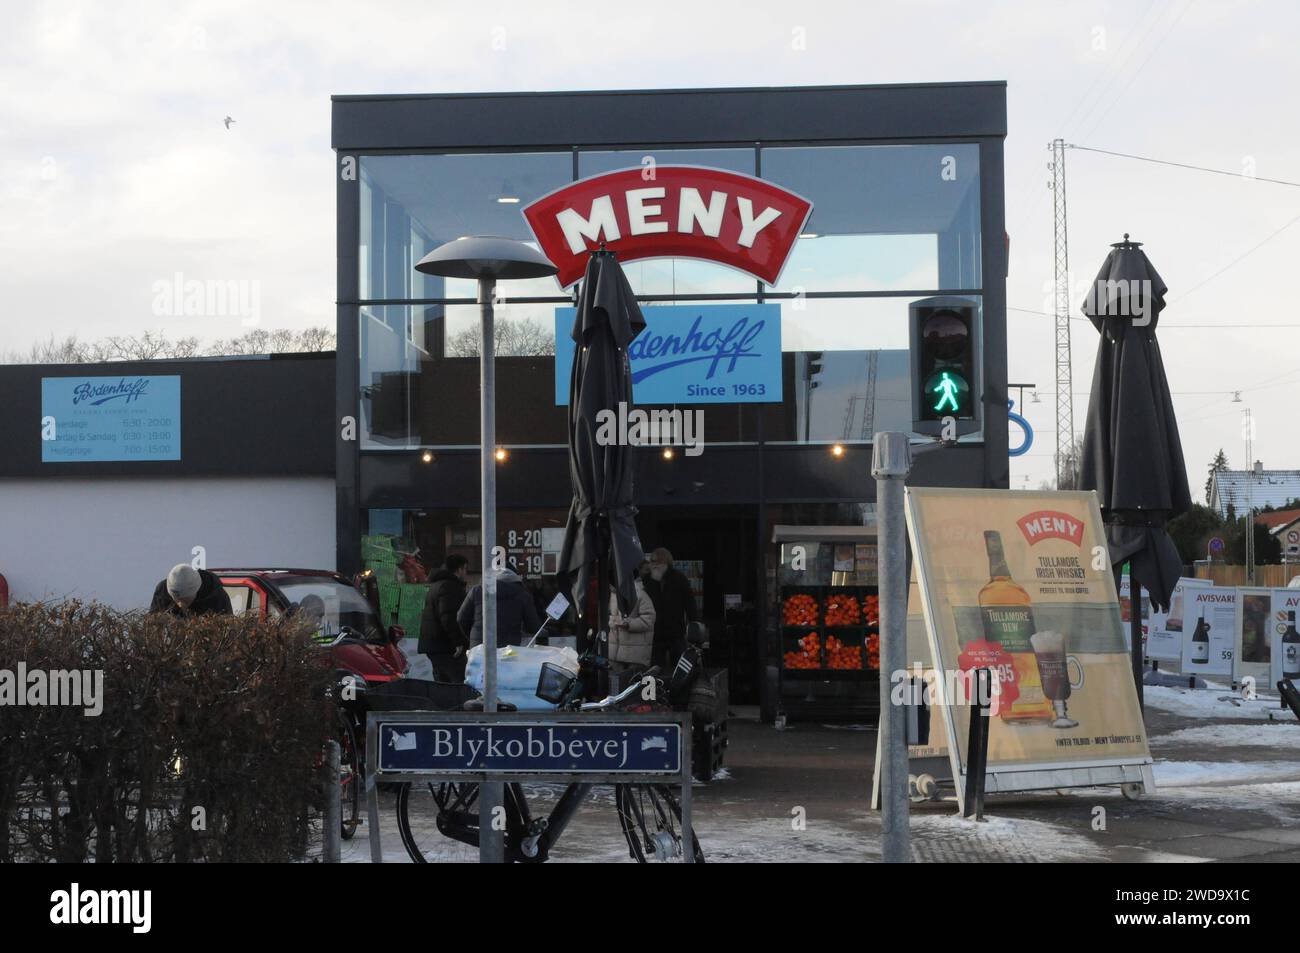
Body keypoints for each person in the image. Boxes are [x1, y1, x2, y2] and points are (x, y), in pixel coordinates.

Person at [457, 561, 543, 648]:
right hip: (508, 650)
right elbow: (534, 627)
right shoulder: (522, 594)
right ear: (514, 577)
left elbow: (461, 618)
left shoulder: (477, 591)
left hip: (480, 648)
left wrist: (473, 637)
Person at [646, 548, 698, 668]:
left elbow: (690, 604)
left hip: (675, 632)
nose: (653, 564)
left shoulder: (679, 579)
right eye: (651, 561)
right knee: (656, 668)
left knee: (678, 667)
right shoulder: (649, 580)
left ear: (664, 562)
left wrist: (694, 624)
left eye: (655, 561)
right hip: (656, 633)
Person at [422, 554, 470, 682]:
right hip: (446, 645)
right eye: (465, 569)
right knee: (457, 683)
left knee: (442, 683)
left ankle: (442, 702)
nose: (466, 573)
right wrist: (458, 642)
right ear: (459, 570)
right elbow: (448, 617)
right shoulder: (450, 586)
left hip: (435, 644)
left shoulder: (437, 584)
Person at [607, 577, 657, 671]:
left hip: (634, 655)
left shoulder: (640, 594)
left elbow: (649, 619)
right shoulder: (612, 594)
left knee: (631, 681)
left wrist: (629, 624)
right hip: (616, 654)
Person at [148, 563, 233, 617]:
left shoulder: (215, 595)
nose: (180, 604)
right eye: (176, 599)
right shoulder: (162, 592)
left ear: (197, 590)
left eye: (185, 599)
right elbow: (152, 626)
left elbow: (228, 631)